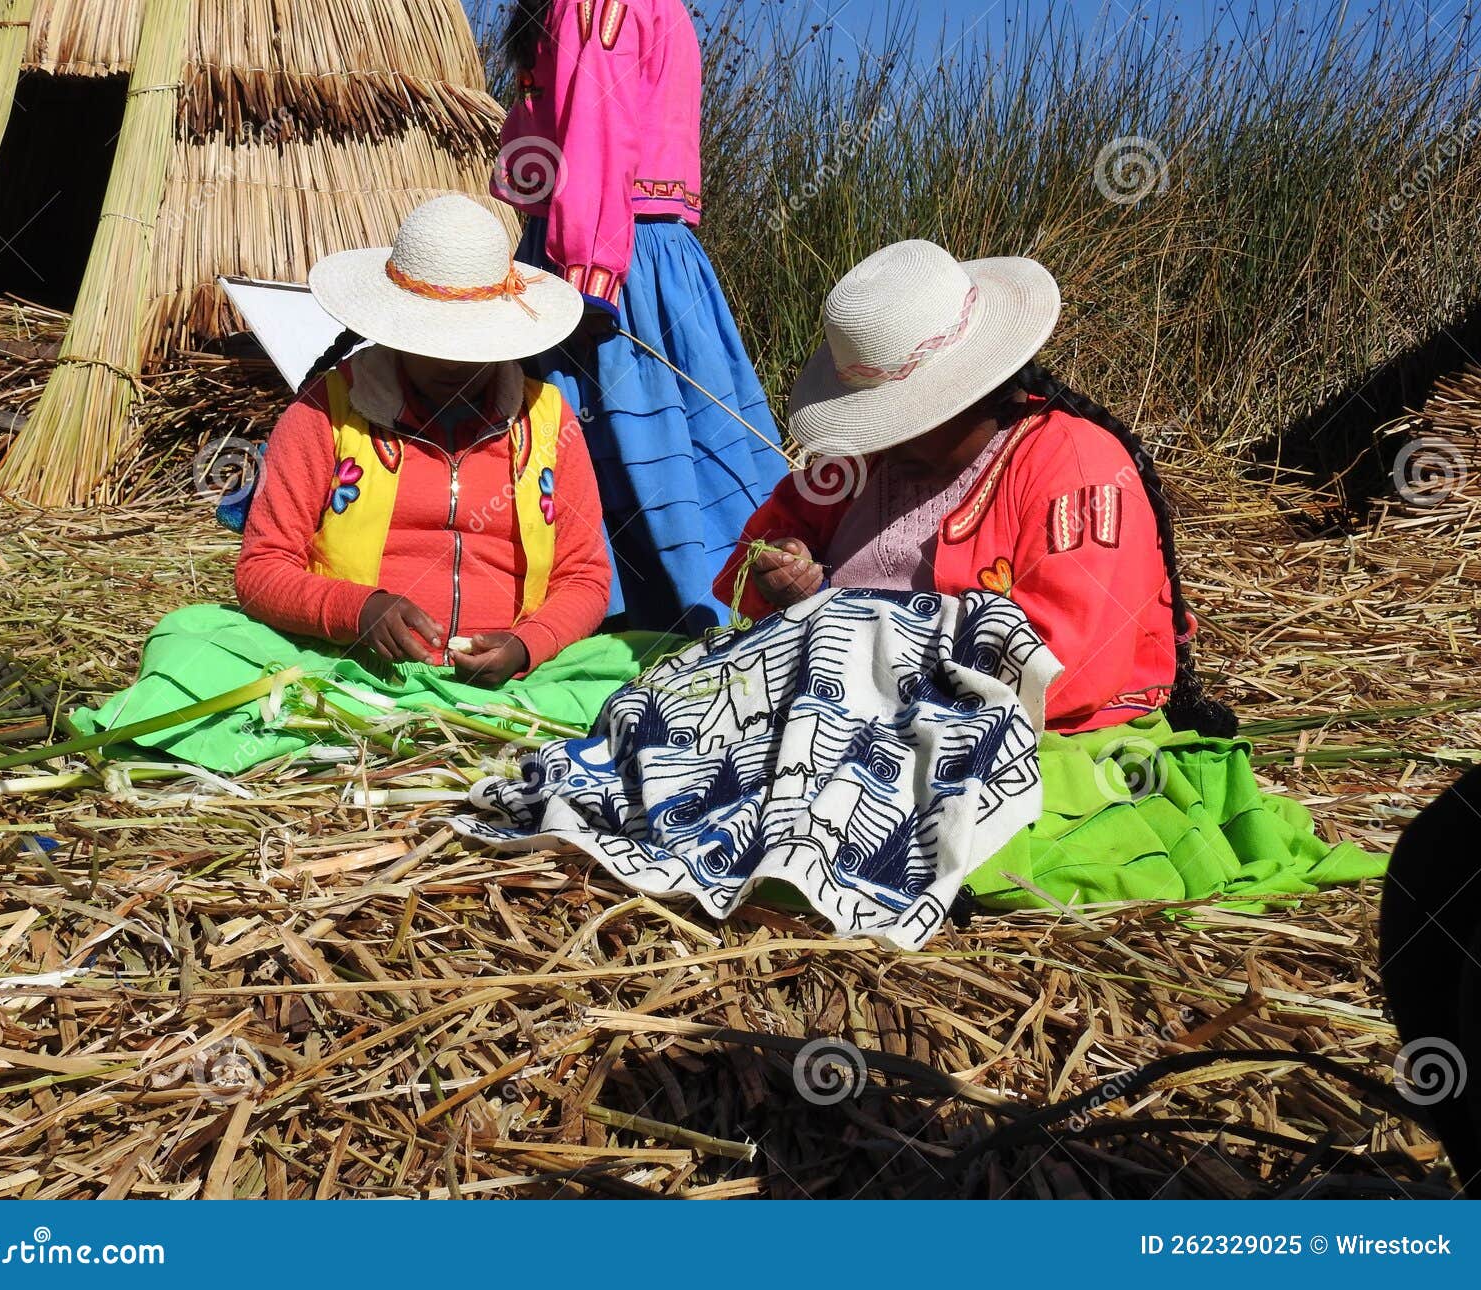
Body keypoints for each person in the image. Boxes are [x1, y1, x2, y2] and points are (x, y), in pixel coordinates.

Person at [710, 239, 1381, 910]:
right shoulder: (860, 465)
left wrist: (852, 646)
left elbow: (1068, 671)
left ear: (964, 392)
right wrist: (784, 567)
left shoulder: (1074, 466)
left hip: (1011, 738)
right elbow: (759, 552)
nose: (878, 436)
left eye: (896, 417)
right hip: (837, 708)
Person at [492, 0, 787, 638]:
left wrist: (586, 282)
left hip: (607, 255)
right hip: (651, 253)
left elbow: (597, 132)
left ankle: (668, 614)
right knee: (675, 438)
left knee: (610, 437)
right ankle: (724, 605)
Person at [238, 193, 612, 685]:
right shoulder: (325, 412)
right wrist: (358, 610)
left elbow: (584, 576)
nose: (453, 363)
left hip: (517, 687)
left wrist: (528, 645)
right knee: (190, 638)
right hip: (344, 671)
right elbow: (262, 568)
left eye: (471, 344)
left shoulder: (547, 419)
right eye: (433, 341)